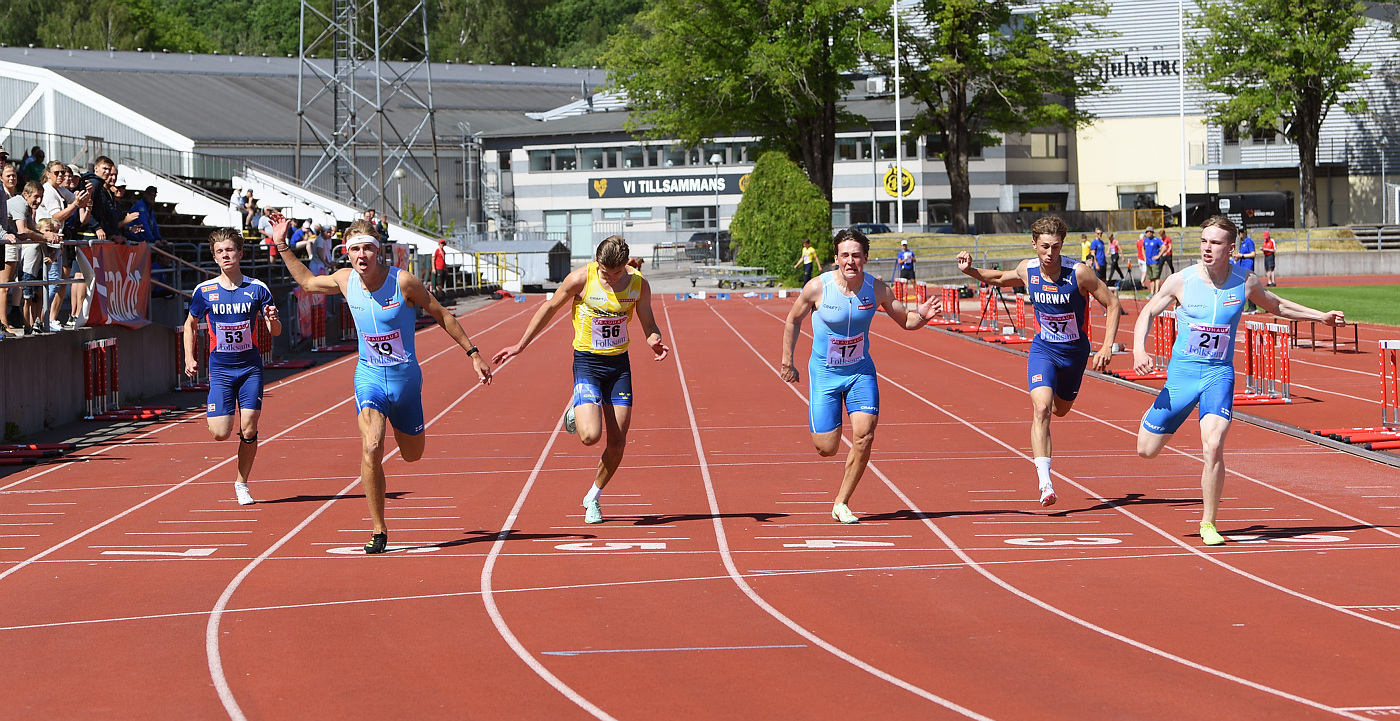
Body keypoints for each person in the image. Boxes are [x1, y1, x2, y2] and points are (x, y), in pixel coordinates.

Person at [274, 214, 492, 553]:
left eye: (368, 249)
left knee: (412, 455)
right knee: (372, 445)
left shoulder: (403, 282)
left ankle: (403, 429)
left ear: (380, 252)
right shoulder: (346, 280)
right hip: (369, 377)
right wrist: (282, 244)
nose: (361, 255)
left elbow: (442, 314)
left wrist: (473, 353)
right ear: (347, 253)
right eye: (354, 249)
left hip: (406, 382)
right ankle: (379, 530)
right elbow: (307, 283)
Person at [1132, 216, 1344, 546]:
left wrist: (1320, 316)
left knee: (1213, 446)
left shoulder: (1244, 282)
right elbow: (1147, 312)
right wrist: (1138, 351)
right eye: (1204, 240)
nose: (1206, 247)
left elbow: (1278, 305)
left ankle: (1208, 523)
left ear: (1231, 248)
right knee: (1146, 451)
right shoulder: (1181, 281)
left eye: (1215, 243)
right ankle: (1155, 419)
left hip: (1219, 375)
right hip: (1183, 376)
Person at [492, 236, 668, 525]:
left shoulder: (638, 283)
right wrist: (521, 344)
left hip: (618, 366)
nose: (611, 279)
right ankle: (576, 410)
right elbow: (549, 309)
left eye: (618, 273)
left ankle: (593, 498)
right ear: (596, 264)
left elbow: (648, 321)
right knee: (589, 437)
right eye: (605, 273)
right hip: (588, 362)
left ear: (627, 265)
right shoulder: (580, 279)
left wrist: (654, 339)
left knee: (618, 443)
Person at [958, 215, 1121, 506]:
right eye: (1044, 247)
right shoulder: (1027, 269)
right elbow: (996, 278)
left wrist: (1106, 346)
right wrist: (969, 269)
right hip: (1043, 349)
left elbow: (1112, 303)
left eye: (1055, 247)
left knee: (1060, 410)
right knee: (1042, 409)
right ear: (1034, 244)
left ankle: (1046, 468)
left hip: (1074, 353)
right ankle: (1045, 483)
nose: (1050, 253)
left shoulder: (1079, 273)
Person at [780, 228, 940, 523]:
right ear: (836, 258)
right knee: (826, 448)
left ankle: (841, 502)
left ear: (865, 258)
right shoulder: (818, 287)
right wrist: (787, 361)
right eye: (845, 255)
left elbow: (906, 320)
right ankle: (830, 427)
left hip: (859, 372)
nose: (850, 261)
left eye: (856, 255)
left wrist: (923, 317)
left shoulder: (877, 289)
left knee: (865, 435)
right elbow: (793, 319)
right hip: (825, 374)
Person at [184, 228, 282, 505]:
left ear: (240, 253)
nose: (225, 255)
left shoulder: (257, 289)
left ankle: (242, 483)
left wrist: (272, 319)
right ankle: (219, 412)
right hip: (221, 370)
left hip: (250, 368)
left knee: (249, 428)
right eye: (219, 252)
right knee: (220, 433)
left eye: (229, 250)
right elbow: (190, 325)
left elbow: (275, 331)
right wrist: (189, 358)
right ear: (214, 257)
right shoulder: (204, 291)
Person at [1234, 227, 1257, 311]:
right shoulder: (1241, 242)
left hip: (1248, 266)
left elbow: (1253, 254)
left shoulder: (1248, 241)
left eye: (1242, 232)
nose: (1241, 234)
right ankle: (1245, 306)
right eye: (1240, 232)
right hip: (1242, 265)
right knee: (1242, 287)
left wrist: (1242, 256)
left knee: (1248, 285)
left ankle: (1252, 306)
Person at [1142, 227, 1163, 295]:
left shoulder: (1156, 240)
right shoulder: (1145, 240)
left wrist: (1158, 256)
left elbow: (1164, 247)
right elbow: (1143, 248)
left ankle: (1157, 292)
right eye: (1148, 232)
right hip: (1148, 262)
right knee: (1151, 278)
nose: (1149, 233)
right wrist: (1144, 256)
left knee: (1156, 277)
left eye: (1150, 231)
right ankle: (1152, 292)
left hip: (1155, 262)